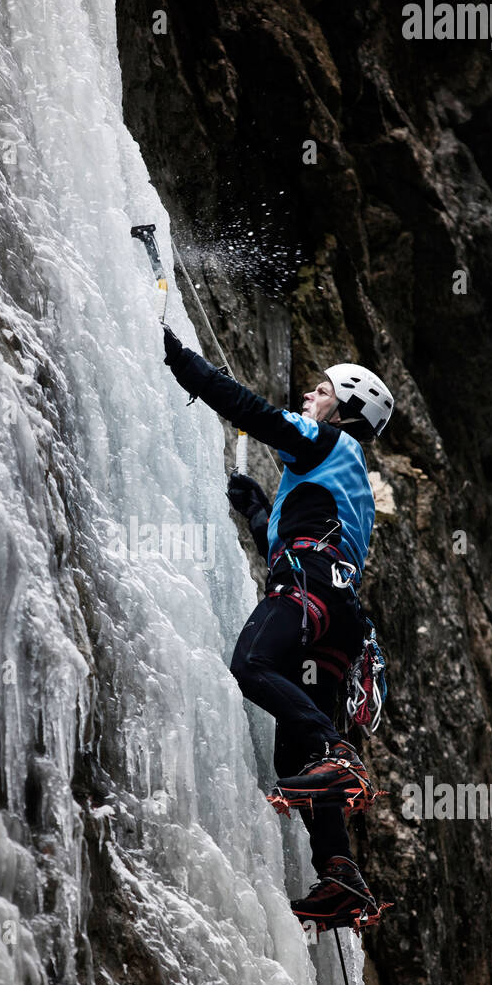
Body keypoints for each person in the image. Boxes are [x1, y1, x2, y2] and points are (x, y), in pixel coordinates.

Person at [161, 325, 394, 929]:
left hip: (309, 595)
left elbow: (253, 411)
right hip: (339, 624)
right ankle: (339, 872)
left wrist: (180, 360)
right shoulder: (349, 483)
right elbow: (294, 536)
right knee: (299, 757)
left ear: (343, 408)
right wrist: (259, 506)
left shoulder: (325, 442)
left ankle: (338, 752)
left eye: (321, 391)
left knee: (251, 666)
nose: (309, 398)